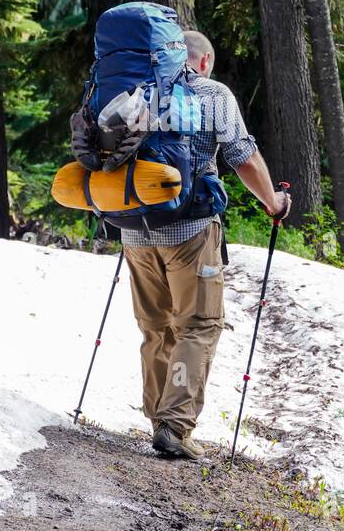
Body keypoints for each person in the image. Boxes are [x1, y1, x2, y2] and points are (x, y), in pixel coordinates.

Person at [120, 30, 291, 460]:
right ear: (203, 61)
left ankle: (160, 419)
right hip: (191, 230)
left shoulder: (135, 94)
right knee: (197, 324)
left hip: (135, 231)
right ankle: (175, 427)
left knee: (155, 327)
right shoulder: (213, 94)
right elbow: (242, 156)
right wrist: (273, 203)